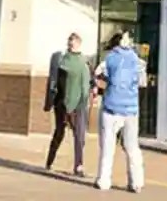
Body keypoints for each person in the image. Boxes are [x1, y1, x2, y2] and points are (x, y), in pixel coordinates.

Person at [93, 31, 146, 192]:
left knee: (108, 147)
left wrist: (107, 84)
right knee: (132, 147)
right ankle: (136, 182)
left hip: (111, 107)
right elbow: (142, 83)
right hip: (131, 109)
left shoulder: (109, 59)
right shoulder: (138, 61)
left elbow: (97, 76)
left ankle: (104, 180)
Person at [45, 32, 93, 176]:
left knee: (78, 136)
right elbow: (54, 81)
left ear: (78, 44)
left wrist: (83, 104)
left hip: (76, 105)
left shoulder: (83, 63)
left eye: (72, 43)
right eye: (69, 43)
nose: (70, 46)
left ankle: (78, 165)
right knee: (60, 133)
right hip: (62, 103)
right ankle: (50, 161)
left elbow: (85, 87)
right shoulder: (62, 60)